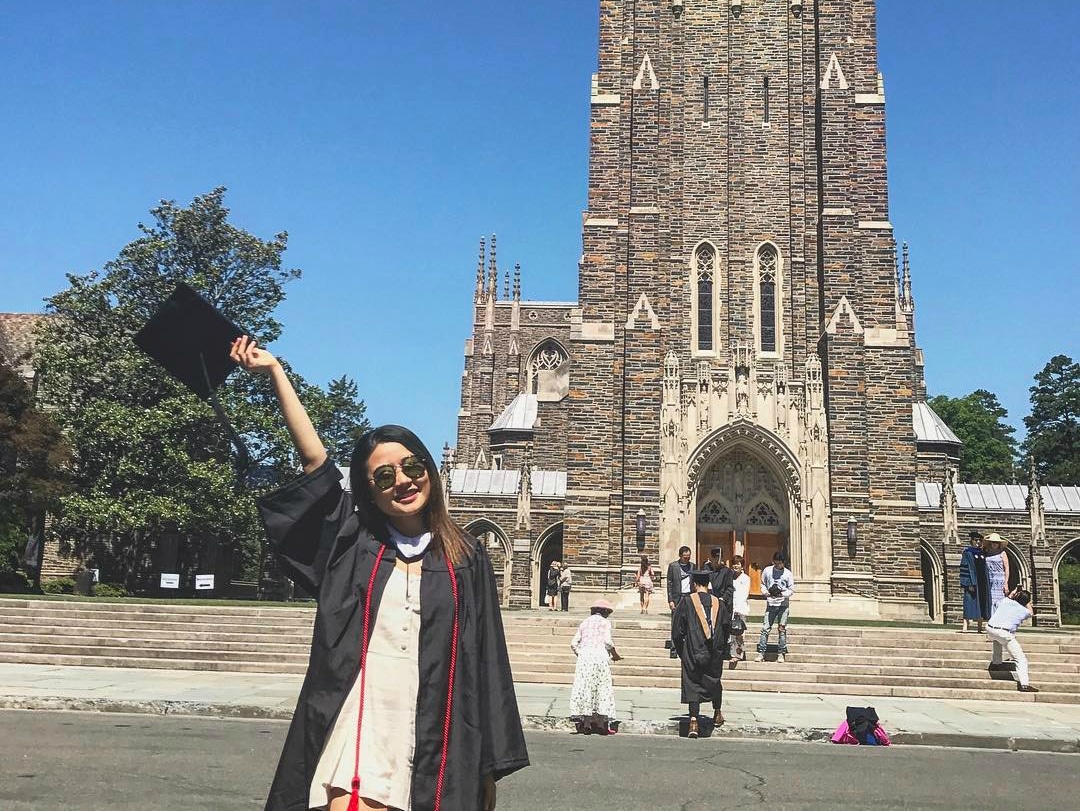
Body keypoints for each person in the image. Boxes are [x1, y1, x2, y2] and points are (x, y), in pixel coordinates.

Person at [231, 336, 528, 811]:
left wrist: (489, 766)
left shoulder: (465, 556)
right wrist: (275, 373)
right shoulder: (356, 543)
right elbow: (316, 466)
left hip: (437, 723)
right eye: (384, 476)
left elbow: (487, 660)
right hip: (362, 713)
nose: (404, 481)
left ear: (428, 467)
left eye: (411, 466)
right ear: (370, 492)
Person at [671, 570, 730, 738]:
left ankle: (694, 721)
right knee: (714, 680)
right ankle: (717, 712)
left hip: (693, 650)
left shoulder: (687, 602)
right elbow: (726, 629)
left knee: (693, 683)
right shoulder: (719, 603)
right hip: (714, 651)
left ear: (694, 584)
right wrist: (720, 650)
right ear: (708, 583)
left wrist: (683, 651)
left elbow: (677, 631)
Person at [568, 598, 622, 734]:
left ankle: (586, 723)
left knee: (586, 687)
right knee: (601, 688)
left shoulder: (584, 622)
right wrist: (615, 654)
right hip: (600, 657)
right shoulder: (605, 623)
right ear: (605, 612)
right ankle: (601, 723)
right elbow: (608, 642)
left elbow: (573, 643)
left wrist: (581, 654)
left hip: (585, 658)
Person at [986, 586, 1038, 693]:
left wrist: (1014, 593)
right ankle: (1024, 684)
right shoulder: (1024, 611)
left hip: (990, 628)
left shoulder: (1005, 602)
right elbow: (1031, 613)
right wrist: (1027, 601)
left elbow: (1007, 598)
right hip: (1004, 633)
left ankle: (996, 664)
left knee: (997, 639)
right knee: (1021, 659)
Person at [755, 551, 795, 663]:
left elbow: (791, 590)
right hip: (771, 603)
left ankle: (781, 653)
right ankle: (761, 652)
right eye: (776, 563)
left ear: (783, 563)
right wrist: (766, 592)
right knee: (765, 628)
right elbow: (762, 584)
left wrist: (781, 593)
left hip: (783, 604)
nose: (777, 566)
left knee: (782, 629)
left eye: (779, 564)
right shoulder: (767, 571)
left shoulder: (788, 574)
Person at [958, 530, 990, 633]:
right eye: (976, 540)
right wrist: (968, 583)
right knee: (968, 603)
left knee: (981, 605)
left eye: (980, 540)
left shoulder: (983, 554)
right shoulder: (967, 553)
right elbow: (964, 568)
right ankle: (965, 626)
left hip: (983, 583)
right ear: (971, 541)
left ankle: (979, 627)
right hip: (972, 582)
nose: (978, 542)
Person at [666, 546, 694, 658]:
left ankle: (686, 648)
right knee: (675, 624)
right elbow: (669, 584)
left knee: (689, 623)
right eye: (685, 557)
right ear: (680, 556)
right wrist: (670, 600)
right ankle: (674, 649)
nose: (687, 559)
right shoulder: (673, 566)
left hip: (689, 596)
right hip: (678, 597)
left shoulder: (692, 566)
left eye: (688, 557)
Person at [729, 555, 751, 663]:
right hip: (730, 608)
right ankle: (733, 653)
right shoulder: (730, 577)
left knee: (739, 632)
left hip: (740, 609)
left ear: (742, 565)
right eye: (734, 563)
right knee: (732, 633)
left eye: (738, 563)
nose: (736, 565)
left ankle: (737, 655)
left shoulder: (746, 579)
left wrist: (737, 609)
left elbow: (744, 594)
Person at [983, 533, 1010, 615]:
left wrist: (1006, 583)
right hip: (990, 579)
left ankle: (999, 619)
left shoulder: (1002, 553)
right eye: (992, 542)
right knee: (990, 601)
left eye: (996, 542)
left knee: (999, 601)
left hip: (1000, 580)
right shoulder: (986, 553)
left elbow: (1007, 569)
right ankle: (991, 619)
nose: (994, 544)